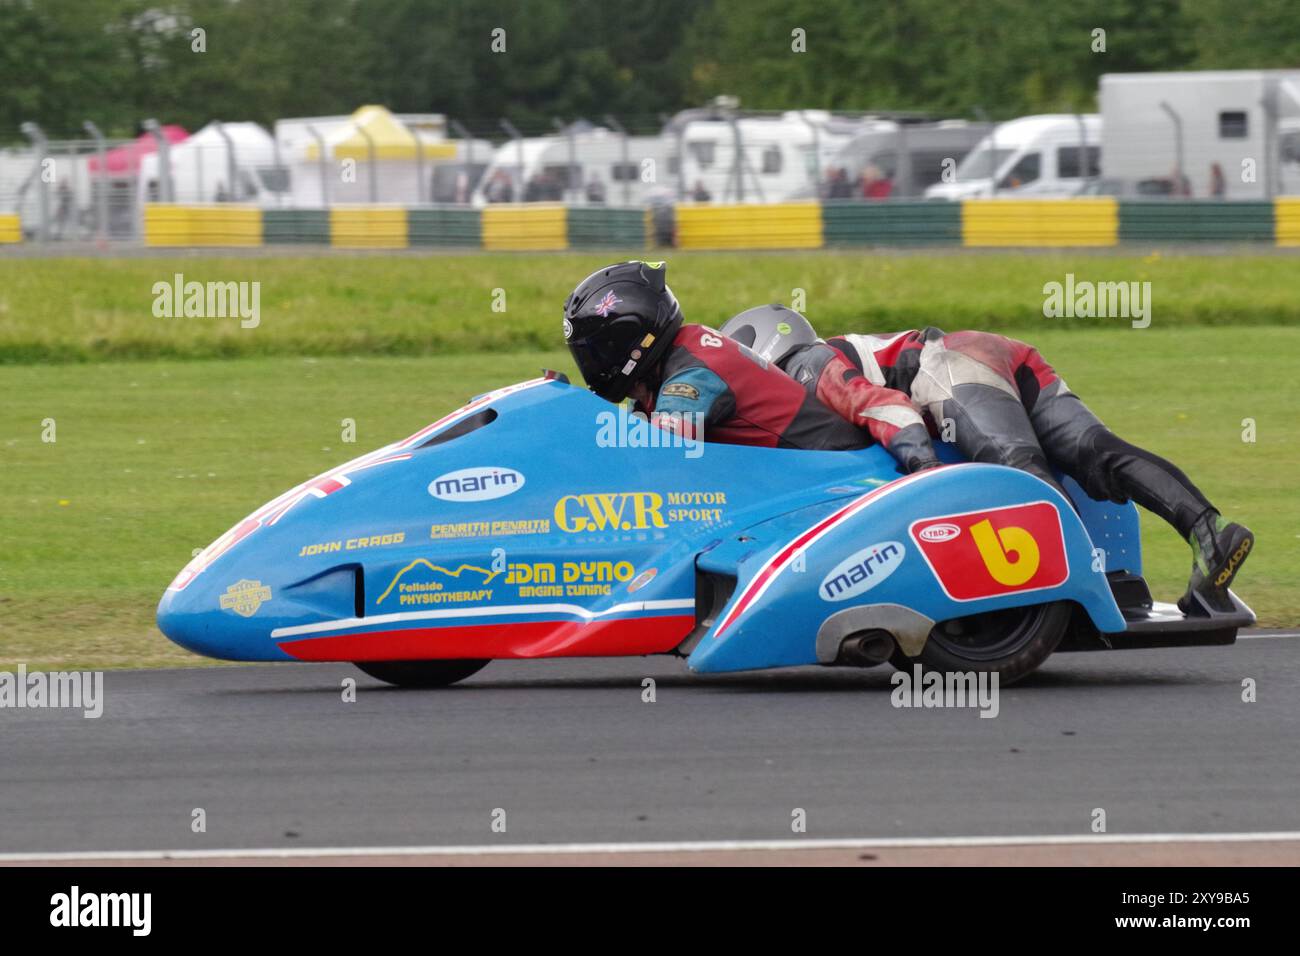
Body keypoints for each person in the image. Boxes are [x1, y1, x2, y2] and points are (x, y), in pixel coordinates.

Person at [731, 314, 1251, 615]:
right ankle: (1210, 531)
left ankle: (1084, 589)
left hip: (948, 366)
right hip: (1000, 353)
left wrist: (922, 470)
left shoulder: (803, 365)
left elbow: (883, 406)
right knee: (1097, 452)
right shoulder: (835, 348)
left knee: (1017, 470)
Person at [563, 261, 872, 452]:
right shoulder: (663, 371)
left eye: (596, 352)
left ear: (628, 341)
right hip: (793, 479)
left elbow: (655, 456)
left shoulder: (694, 372)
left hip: (831, 475)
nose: (593, 364)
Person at [719, 304, 939, 473]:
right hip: (921, 422)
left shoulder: (810, 366)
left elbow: (882, 407)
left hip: (943, 371)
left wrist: (925, 467)